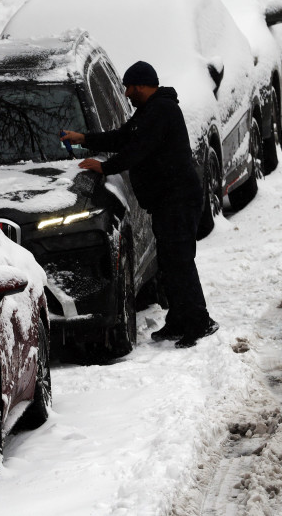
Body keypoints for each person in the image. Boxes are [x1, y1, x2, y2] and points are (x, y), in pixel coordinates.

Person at [60, 61, 219, 349]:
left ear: (143, 85)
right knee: (169, 263)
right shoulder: (149, 112)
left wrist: (105, 167)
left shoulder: (162, 111)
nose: (127, 93)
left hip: (178, 199)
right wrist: (83, 138)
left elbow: (137, 150)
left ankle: (199, 322)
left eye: (130, 87)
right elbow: (122, 137)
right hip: (166, 201)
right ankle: (179, 320)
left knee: (180, 262)